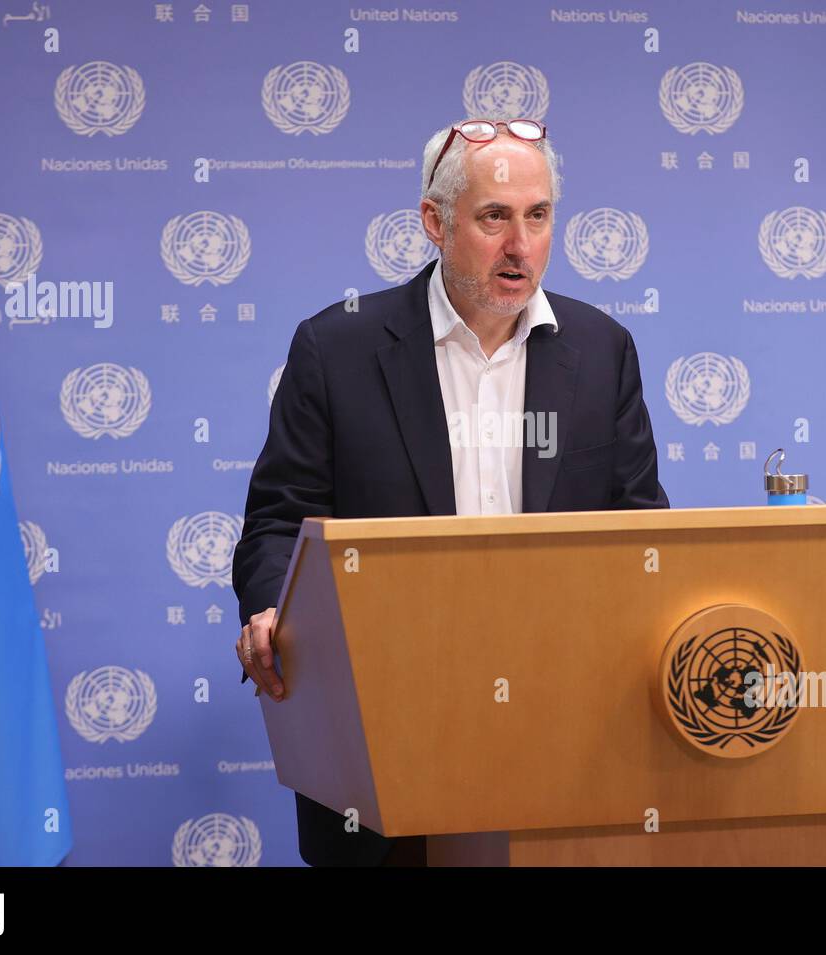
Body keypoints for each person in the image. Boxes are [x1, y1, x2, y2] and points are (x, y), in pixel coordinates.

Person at [232, 116, 669, 866]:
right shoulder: (337, 347)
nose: (519, 244)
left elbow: (639, 527)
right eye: (494, 217)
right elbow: (279, 522)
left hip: (564, 727)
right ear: (434, 222)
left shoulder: (602, 350)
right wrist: (274, 607)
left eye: (537, 217)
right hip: (388, 725)